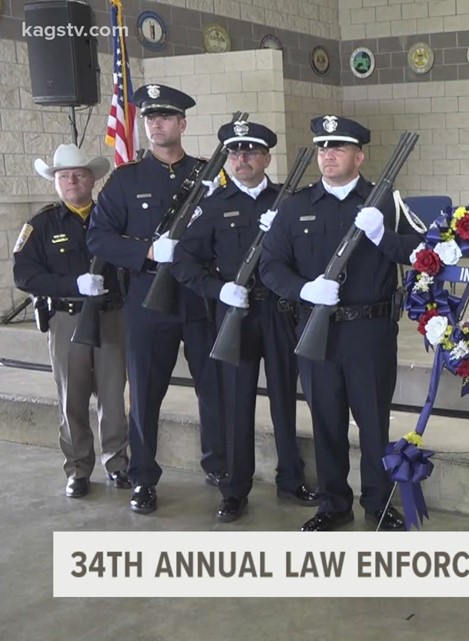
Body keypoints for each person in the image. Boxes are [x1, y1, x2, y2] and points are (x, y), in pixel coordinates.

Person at [260, 115, 422, 532]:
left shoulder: (386, 202)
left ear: (359, 155)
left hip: (369, 331)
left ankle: (378, 504)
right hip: (317, 329)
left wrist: (383, 235)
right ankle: (334, 504)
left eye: (338, 148)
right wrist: (304, 290)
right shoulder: (296, 206)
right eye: (322, 148)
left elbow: (423, 253)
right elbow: (271, 266)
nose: (327, 155)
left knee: (373, 422)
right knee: (326, 420)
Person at [87, 84, 228, 514]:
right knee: (146, 394)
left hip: (200, 300)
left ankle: (219, 466)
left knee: (214, 391)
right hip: (148, 300)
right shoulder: (126, 180)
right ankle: (143, 478)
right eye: (149, 118)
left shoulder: (208, 176)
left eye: (165, 117)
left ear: (182, 124)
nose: (155, 124)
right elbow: (98, 237)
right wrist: (146, 251)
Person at [171, 121, 318, 522]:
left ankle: (291, 477)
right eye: (235, 153)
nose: (242, 159)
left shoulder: (288, 201)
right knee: (234, 402)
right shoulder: (214, 205)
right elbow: (184, 260)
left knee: (286, 397)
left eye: (251, 152)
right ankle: (234, 488)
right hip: (234, 312)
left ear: (267, 157)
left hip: (278, 310)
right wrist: (217, 289)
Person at [13, 144, 129, 498]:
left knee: (112, 398)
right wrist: (71, 285)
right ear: (55, 182)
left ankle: (117, 464)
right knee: (72, 399)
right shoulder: (41, 224)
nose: (72, 181)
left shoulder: (111, 218)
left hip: (111, 317)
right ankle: (78, 468)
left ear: (92, 179)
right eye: (64, 176)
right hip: (67, 319)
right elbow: (24, 274)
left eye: (79, 174)